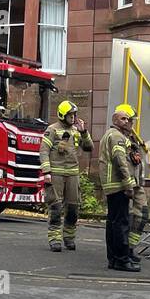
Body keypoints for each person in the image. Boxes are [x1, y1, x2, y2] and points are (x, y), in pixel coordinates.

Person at [39, 100, 92, 252]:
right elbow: (43, 151)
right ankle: (55, 238)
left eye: (75, 114)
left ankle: (69, 237)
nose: (74, 117)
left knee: (73, 208)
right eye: (71, 115)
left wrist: (84, 132)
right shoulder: (52, 130)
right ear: (63, 115)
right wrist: (47, 172)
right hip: (56, 173)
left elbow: (88, 147)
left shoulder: (76, 130)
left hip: (73, 174)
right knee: (55, 207)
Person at [100, 105, 140, 272]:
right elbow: (120, 161)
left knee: (113, 223)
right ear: (115, 121)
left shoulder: (110, 134)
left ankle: (114, 259)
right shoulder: (117, 136)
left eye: (129, 119)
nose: (128, 121)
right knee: (121, 224)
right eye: (124, 119)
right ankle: (122, 260)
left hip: (111, 185)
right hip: (118, 185)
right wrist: (129, 184)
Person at [125, 121, 150, 261]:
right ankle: (125, 249)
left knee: (142, 214)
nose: (131, 123)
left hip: (137, 184)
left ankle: (131, 247)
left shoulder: (133, 138)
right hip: (126, 184)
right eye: (128, 120)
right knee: (126, 218)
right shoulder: (118, 139)